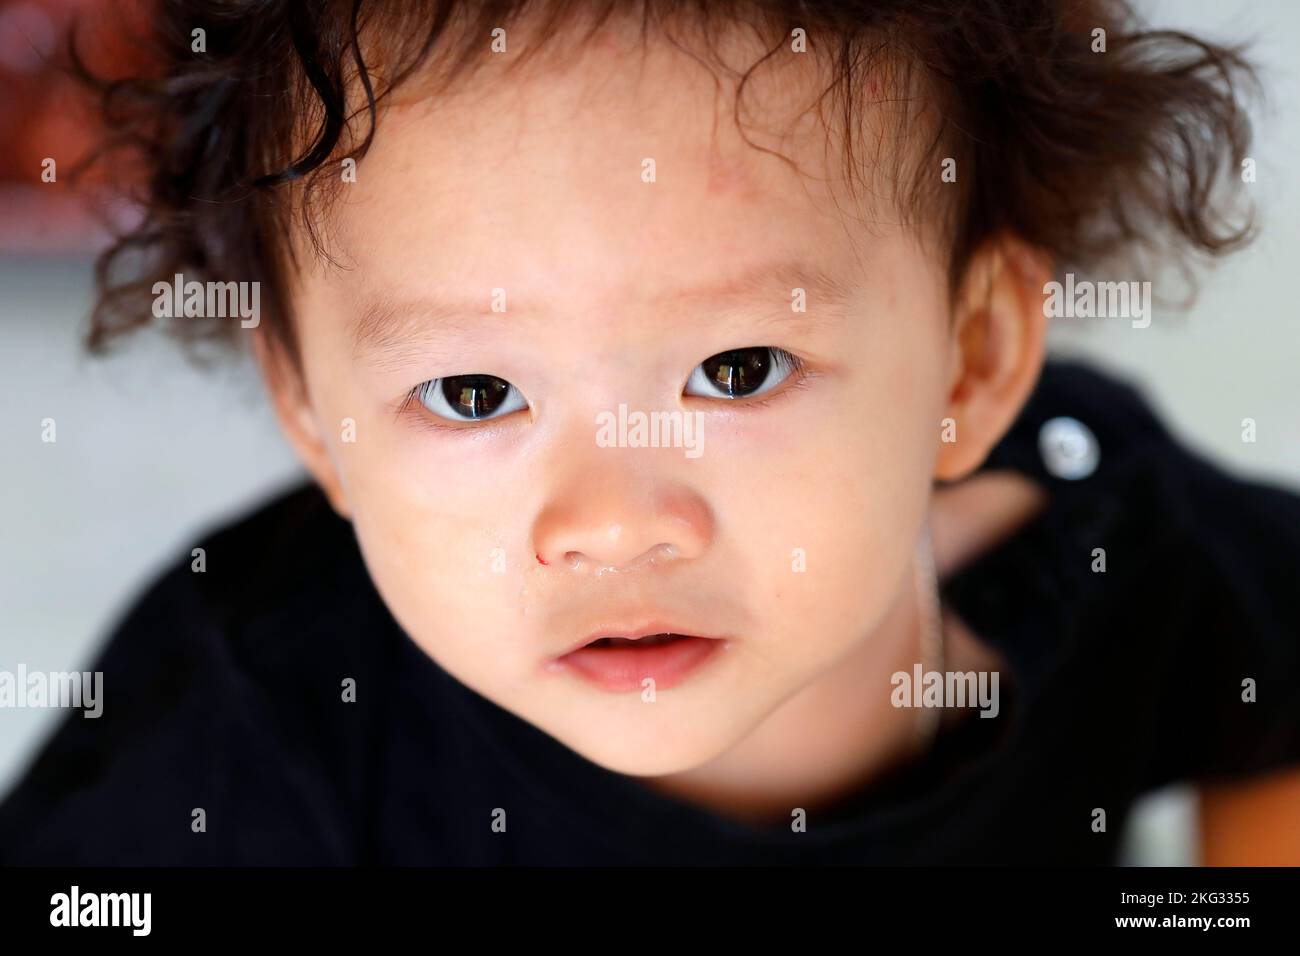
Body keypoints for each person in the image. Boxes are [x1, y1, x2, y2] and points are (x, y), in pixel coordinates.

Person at [2, 0, 1297, 864]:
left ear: (974, 358)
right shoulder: (241, 727)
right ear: (312, 413)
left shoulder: (1115, 548)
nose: (612, 521)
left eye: (736, 369)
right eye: (473, 394)